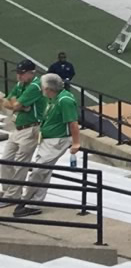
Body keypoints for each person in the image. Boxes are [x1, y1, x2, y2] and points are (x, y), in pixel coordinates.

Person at [11, 72, 80, 217]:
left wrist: (76, 143)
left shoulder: (64, 100)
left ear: (49, 89)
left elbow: (73, 123)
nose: (41, 89)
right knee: (44, 172)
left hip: (57, 140)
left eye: (43, 87)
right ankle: (33, 203)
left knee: (38, 171)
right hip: (48, 139)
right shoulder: (54, 98)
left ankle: (27, 200)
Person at [1, 61, 44, 201]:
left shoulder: (35, 86)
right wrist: (20, 106)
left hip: (31, 128)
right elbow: (6, 102)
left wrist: (17, 105)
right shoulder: (21, 84)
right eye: (18, 73)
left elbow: (15, 105)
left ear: (32, 73)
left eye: (22, 73)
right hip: (18, 128)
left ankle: (13, 195)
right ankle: (8, 191)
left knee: (21, 164)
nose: (19, 76)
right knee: (5, 160)